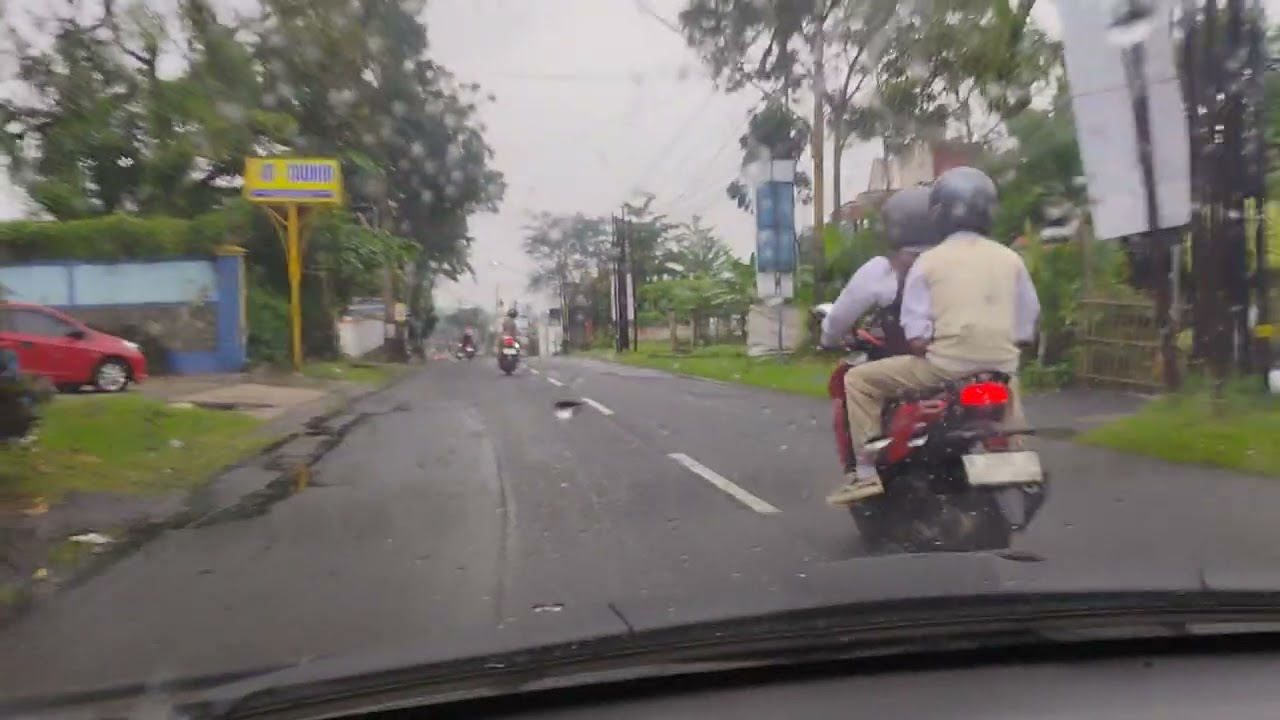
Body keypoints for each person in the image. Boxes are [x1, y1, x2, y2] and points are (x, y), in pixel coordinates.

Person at [828, 166, 1041, 506]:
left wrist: (930, 345)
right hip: (999, 366)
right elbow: (1027, 322)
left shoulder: (924, 263)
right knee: (1007, 387)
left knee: (858, 382)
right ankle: (1018, 457)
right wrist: (1004, 347)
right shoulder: (1009, 258)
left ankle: (866, 474)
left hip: (942, 368)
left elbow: (916, 334)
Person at [820, 185, 938, 355]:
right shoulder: (960, 262)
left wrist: (828, 338)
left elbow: (839, 318)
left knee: (854, 380)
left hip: (909, 367)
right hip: (962, 364)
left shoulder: (883, 269)